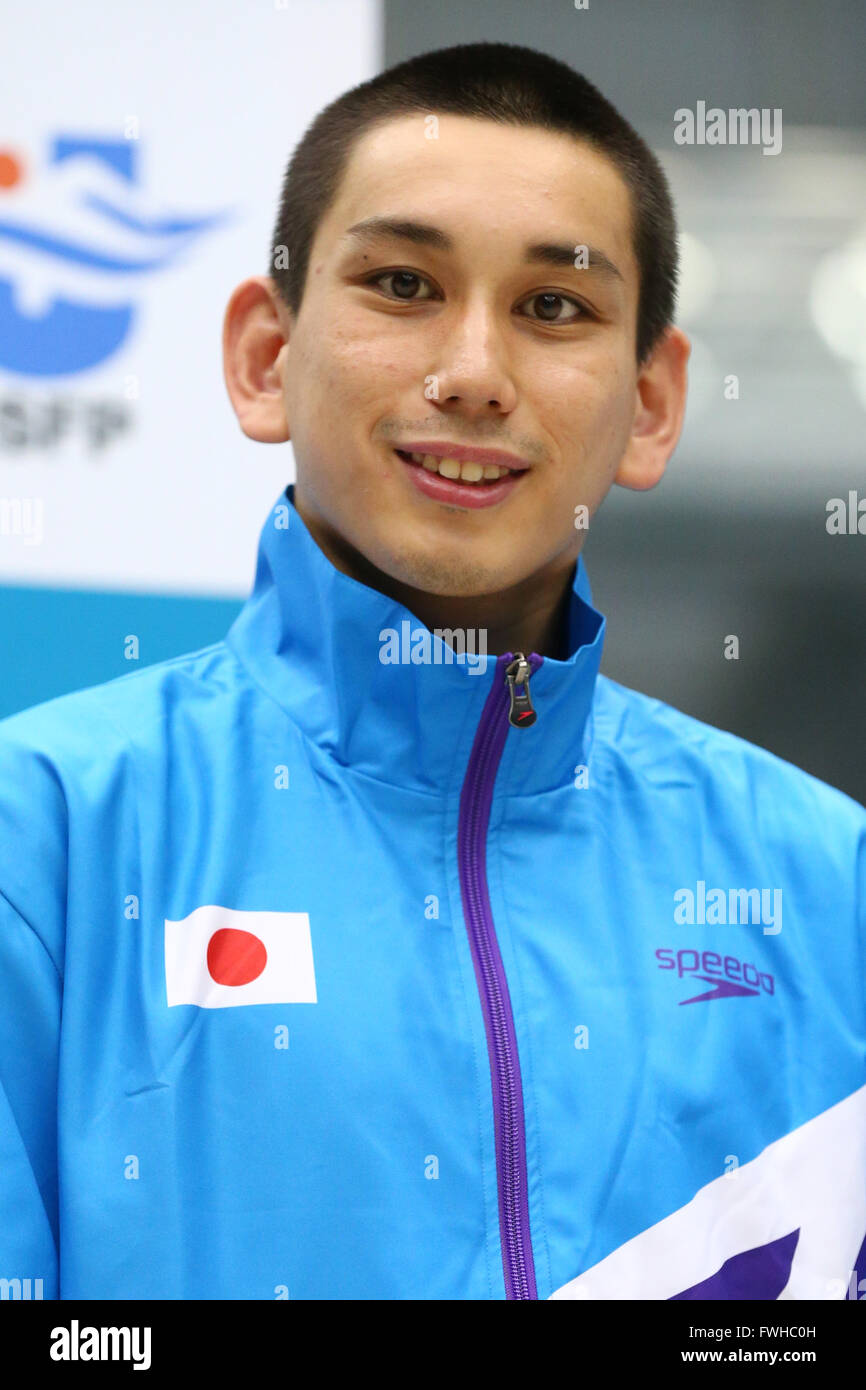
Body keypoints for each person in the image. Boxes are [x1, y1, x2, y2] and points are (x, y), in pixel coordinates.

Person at [0, 41, 863, 1303]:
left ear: (651, 403)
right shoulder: (46, 839)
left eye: (552, 307)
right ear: (262, 357)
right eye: (402, 283)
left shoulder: (824, 883)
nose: (471, 372)